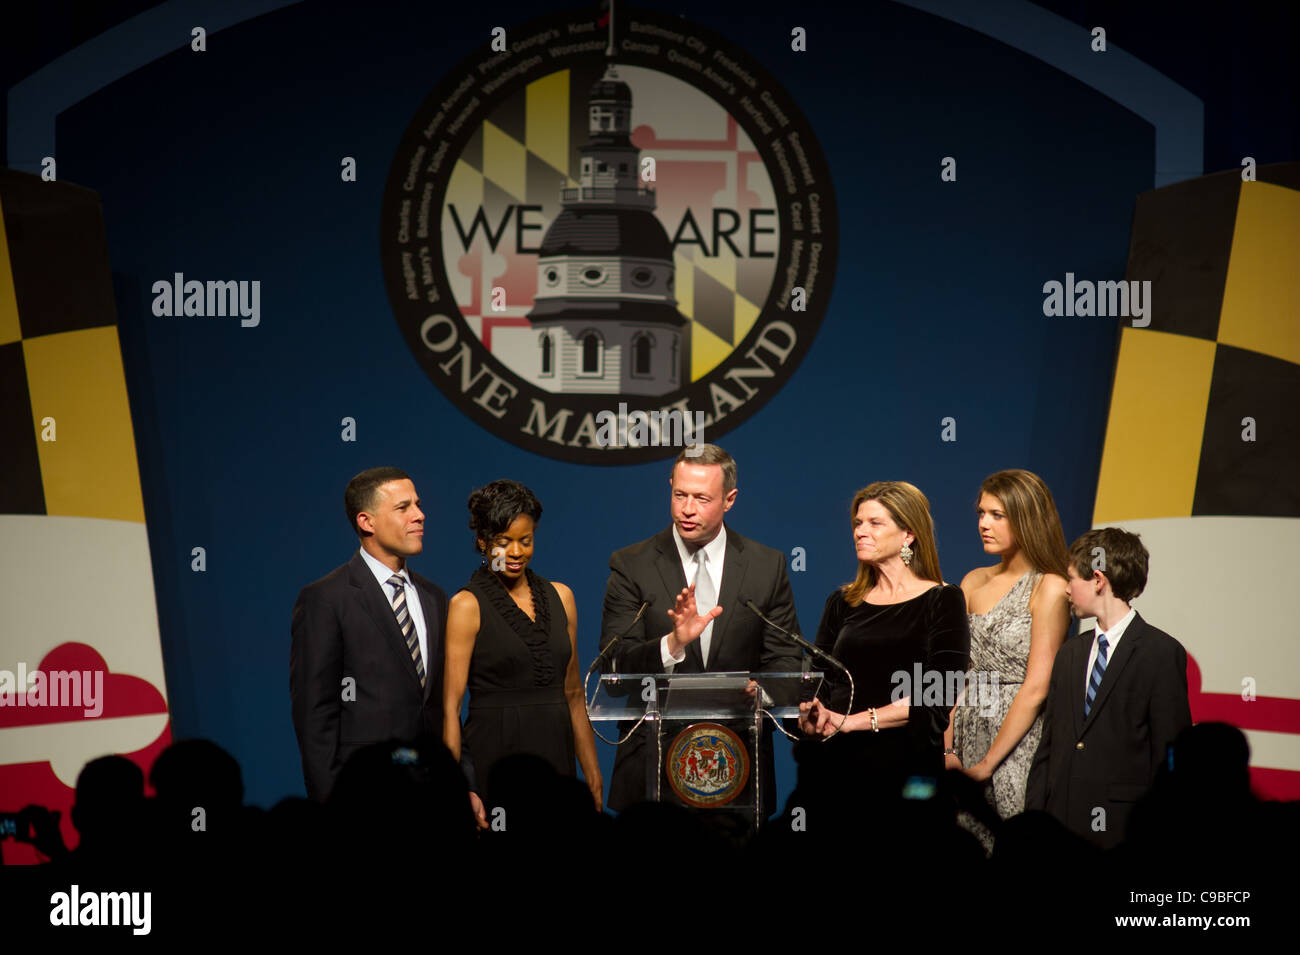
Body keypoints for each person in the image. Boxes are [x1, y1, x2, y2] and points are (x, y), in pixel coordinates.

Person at [600, 444, 802, 815]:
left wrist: (763, 691)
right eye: (679, 495)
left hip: (739, 768)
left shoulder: (765, 565)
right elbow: (613, 670)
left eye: (701, 498)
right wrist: (672, 644)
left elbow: (787, 659)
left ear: (730, 499)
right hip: (651, 772)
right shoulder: (632, 565)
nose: (687, 509)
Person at [797, 481, 970, 809]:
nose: (861, 532)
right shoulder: (842, 601)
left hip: (909, 769)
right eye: (858, 523)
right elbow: (816, 678)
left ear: (909, 534)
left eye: (875, 523)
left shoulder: (943, 599)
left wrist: (852, 722)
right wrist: (812, 712)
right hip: (839, 768)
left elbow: (940, 692)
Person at [442, 479, 602, 821]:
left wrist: (593, 775)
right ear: (483, 542)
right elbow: (450, 707)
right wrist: (456, 790)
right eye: (504, 542)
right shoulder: (466, 605)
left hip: (557, 762)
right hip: (493, 763)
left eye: (525, 541)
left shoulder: (562, 597)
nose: (516, 552)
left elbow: (574, 694)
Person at [1025, 527, 1191, 849]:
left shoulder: (1160, 653)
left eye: (1072, 578)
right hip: (1059, 823)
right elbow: (1049, 746)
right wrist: (1035, 818)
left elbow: (1170, 753)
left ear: (1098, 580)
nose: (1066, 590)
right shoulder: (1070, 653)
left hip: (1122, 830)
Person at [290, 467, 448, 803]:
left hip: (435, 793)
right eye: (403, 508)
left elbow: (441, 706)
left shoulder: (435, 598)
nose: (420, 516)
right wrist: (330, 801)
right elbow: (314, 711)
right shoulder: (326, 598)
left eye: (418, 505)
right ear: (366, 522)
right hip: (366, 796)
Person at [946, 469, 1070, 851]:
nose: (984, 524)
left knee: (1010, 847)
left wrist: (986, 765)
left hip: (1015, 742)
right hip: (962, 735)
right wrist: (948, 749)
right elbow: (954, 676)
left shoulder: (1050, 585)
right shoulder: (971, 581)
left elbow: (1036, 687)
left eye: (997, 515)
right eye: (982, 513)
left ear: (1027, 517)